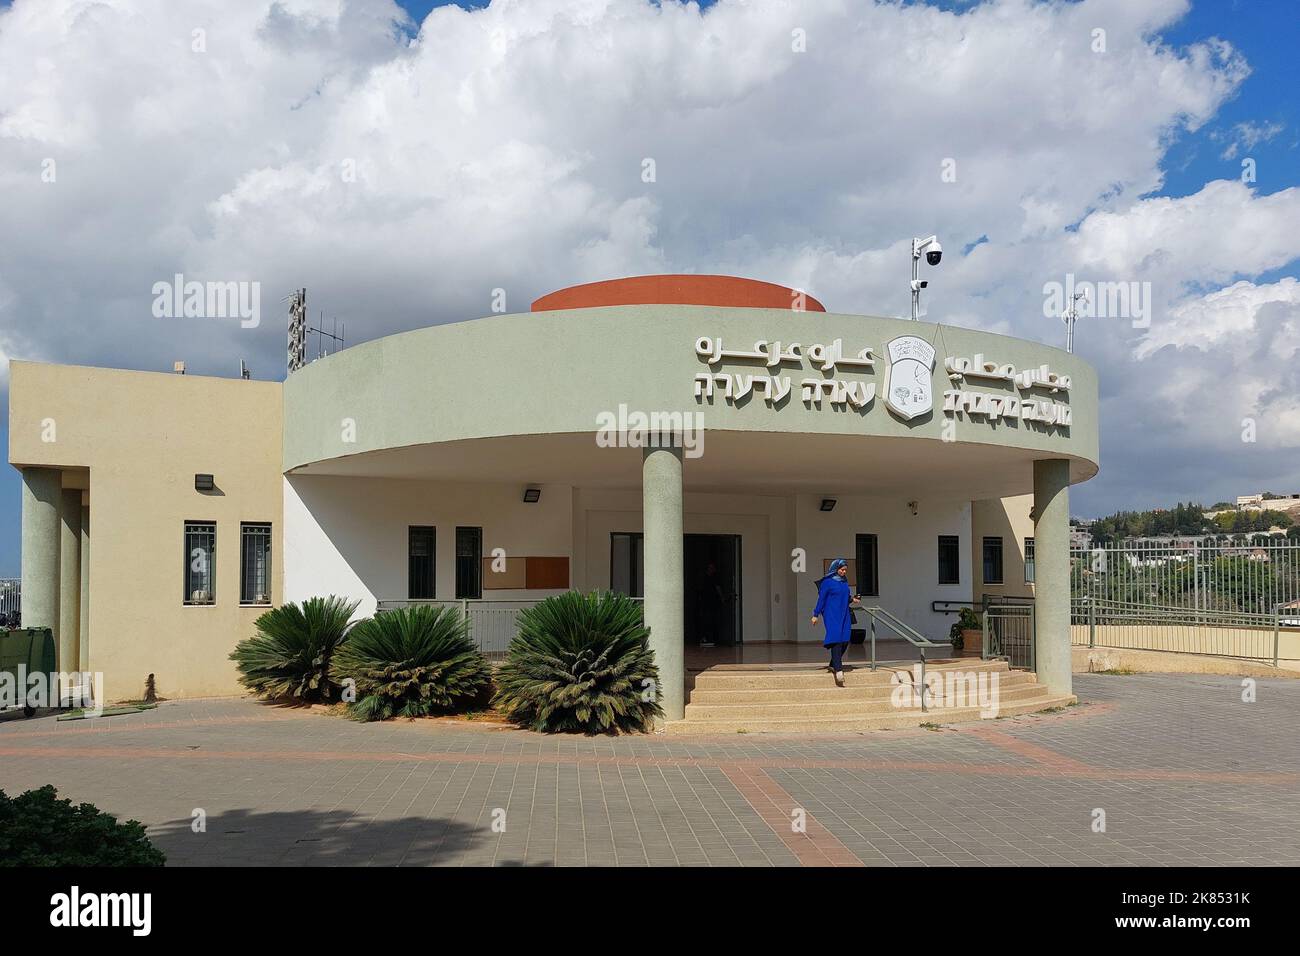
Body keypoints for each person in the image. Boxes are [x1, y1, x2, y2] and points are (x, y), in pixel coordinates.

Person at [811, 558, 860, 686]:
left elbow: (844, 597)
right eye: (842, 569)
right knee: (836, 640)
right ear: (835, 568)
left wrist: (852, 599)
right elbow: (821, 599)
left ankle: (833, 663)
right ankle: (839, 670)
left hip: (844, 614)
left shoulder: (844, 582)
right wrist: (815, 614)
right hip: (831, 614)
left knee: (845, 640)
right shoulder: (827, 582)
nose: (844, 572)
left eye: (845, 570)